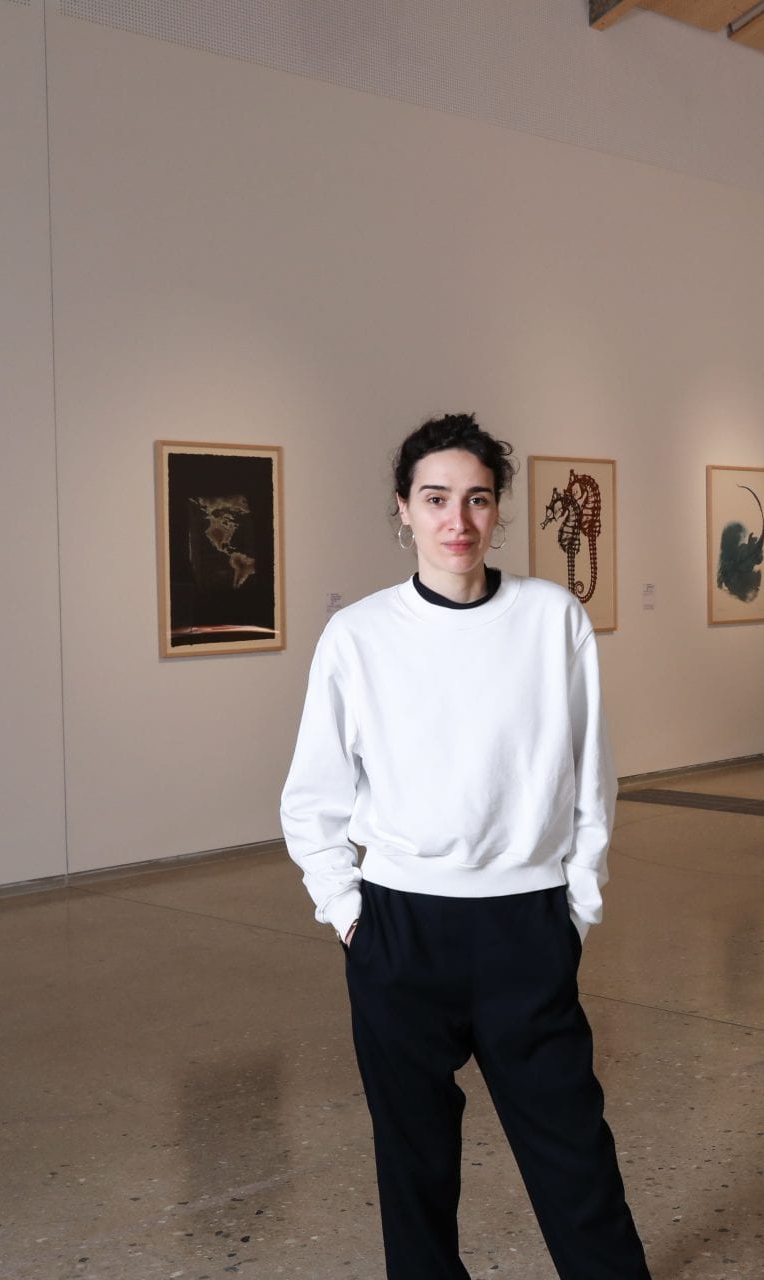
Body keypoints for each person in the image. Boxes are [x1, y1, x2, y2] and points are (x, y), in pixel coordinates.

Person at [280, 413, 651, 1280]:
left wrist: (577, 906)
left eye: (477, 500)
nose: (459, 521)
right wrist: (347, 914)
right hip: (399, 931)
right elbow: (314, 797)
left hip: (526, 928)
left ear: (498, 510)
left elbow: (592, 776)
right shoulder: (359, 636)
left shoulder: (552, 618)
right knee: (413, 1169)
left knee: (574, 1158)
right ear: (402, 512)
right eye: (436, 499)